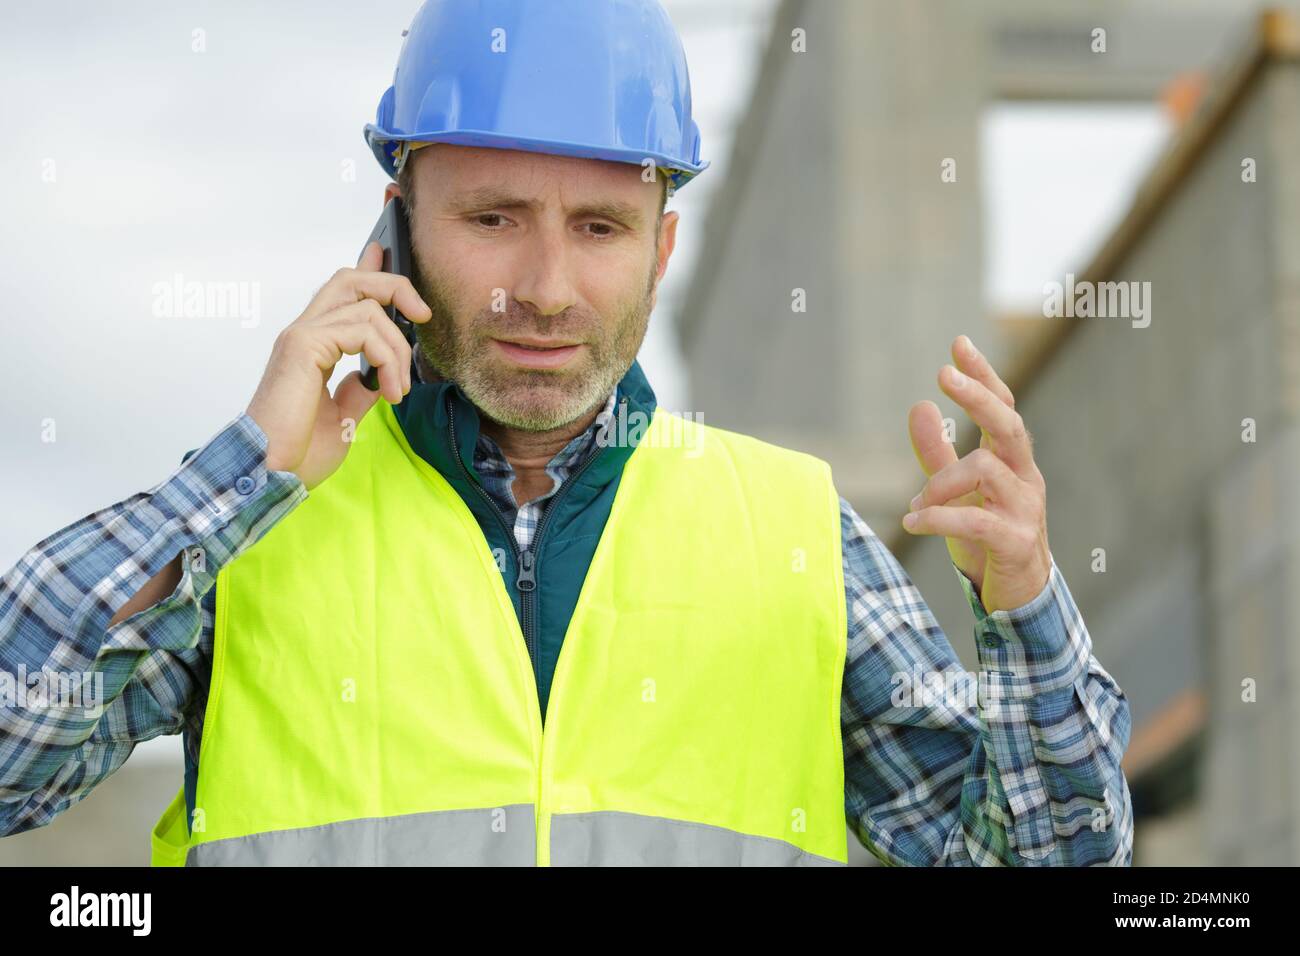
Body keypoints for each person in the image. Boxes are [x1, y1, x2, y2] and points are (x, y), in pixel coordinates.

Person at [0, 0, 1131, 866]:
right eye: (492, 219)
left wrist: (1024, 608)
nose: (545, 287)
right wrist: (242, 471)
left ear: (662, 249)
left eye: (599, 226)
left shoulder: (794, 534)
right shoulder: (251, 527)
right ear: (394, 228)